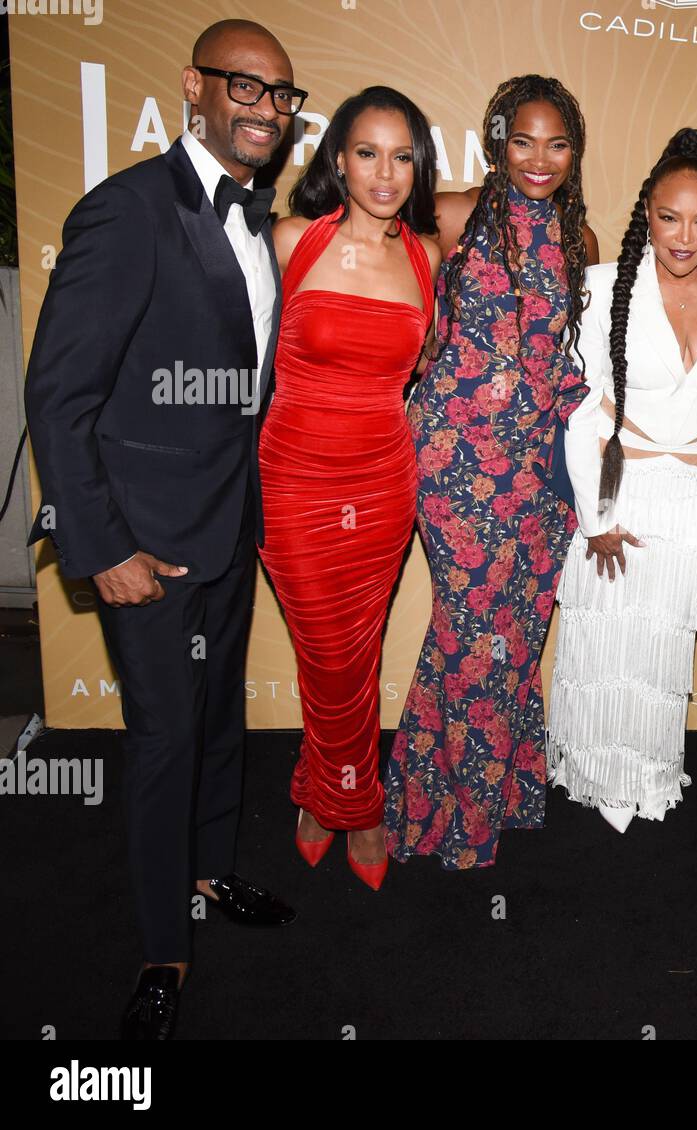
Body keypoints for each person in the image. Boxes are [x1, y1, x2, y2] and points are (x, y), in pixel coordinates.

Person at [23, 19, 302, 1038]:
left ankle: (213, 868)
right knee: (162, 741)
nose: (266, 109)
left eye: (280, 95)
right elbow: (57, 395)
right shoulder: (128, 211)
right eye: (245, 87)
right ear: (194, 87)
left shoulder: (256, 219)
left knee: (219, 718)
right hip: (146, 542)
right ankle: (158, 951)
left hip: (231, 526)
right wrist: (102, 548)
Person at [385, 75, 599, 870]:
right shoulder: (449, 215)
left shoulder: (584, 244)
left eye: (558, 143)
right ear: (495, 140)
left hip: (538, 469)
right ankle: (458, 819)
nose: (540, 159)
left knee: (512, 633)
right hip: (453, 462)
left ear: (575, 151)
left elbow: (570, 362)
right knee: (471, 629)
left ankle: (490, 792)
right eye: (523, 141)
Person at [547, 128, 697, 831]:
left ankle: (647, 773)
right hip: (620, 483)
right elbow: (580, 412)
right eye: (671, 218)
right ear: (648, 214)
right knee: (606, 637)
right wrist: (597, 516)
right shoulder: (602, 285)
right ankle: (593, 772)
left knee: (664, 645)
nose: (685, 236)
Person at [259, 87, 440, 892]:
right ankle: (354, 800)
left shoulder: (427, 257)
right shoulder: (291, 240)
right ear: (337, 159)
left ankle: (324, 791)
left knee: (356, 654)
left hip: (382, 485)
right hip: (294, 481)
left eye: (402, 156)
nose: (385, 172)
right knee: (324, 653)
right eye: (367, 153)